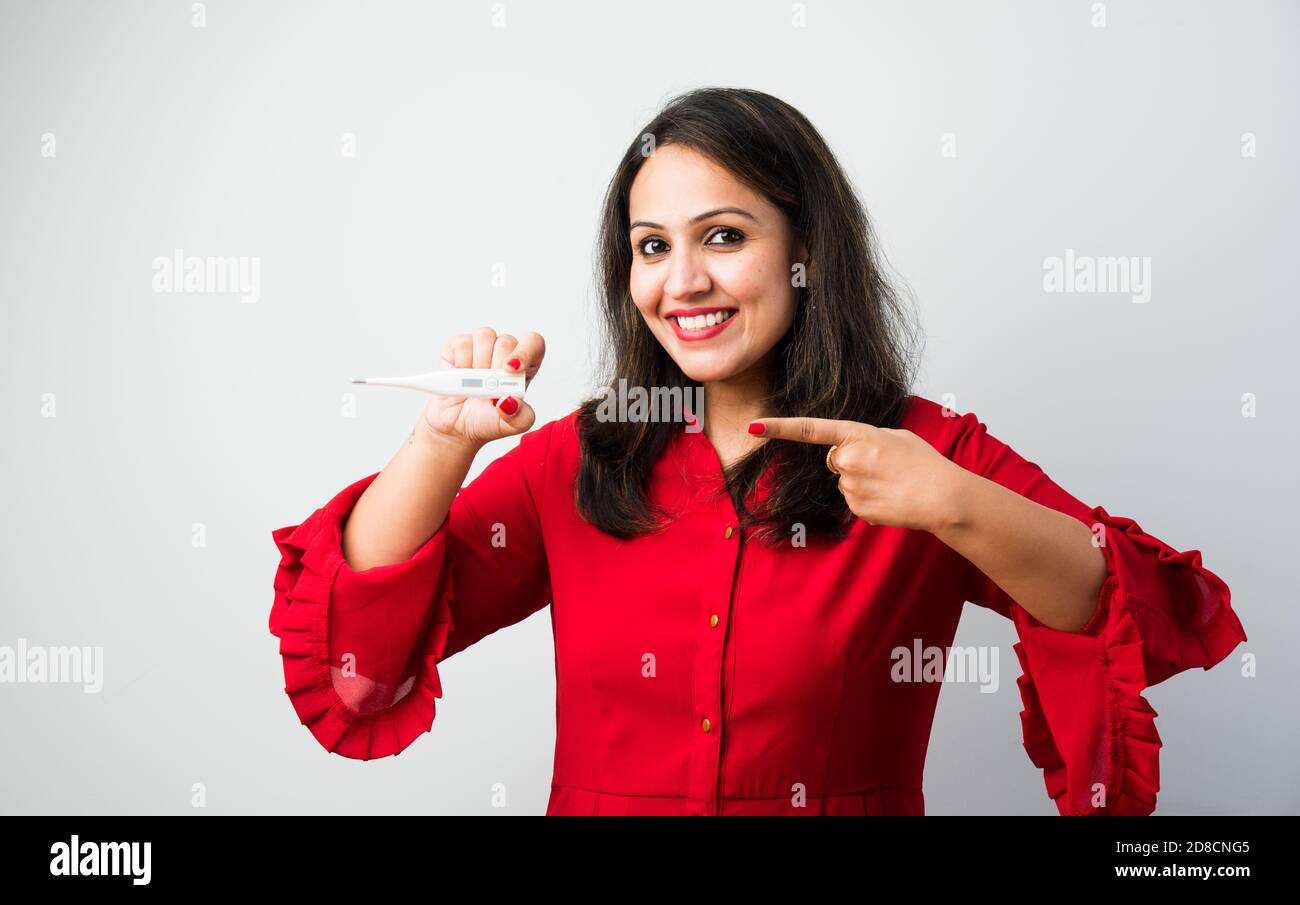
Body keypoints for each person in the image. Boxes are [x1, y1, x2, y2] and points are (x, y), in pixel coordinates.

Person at [268, 87, 1246, 815]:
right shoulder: (578, 459)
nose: (682, 281)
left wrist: (955, 505)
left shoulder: (925, 455)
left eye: (723, 235)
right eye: (651, 246)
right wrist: (441, 443)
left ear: (803, 247)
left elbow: (1140, 611)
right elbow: (365, 671)